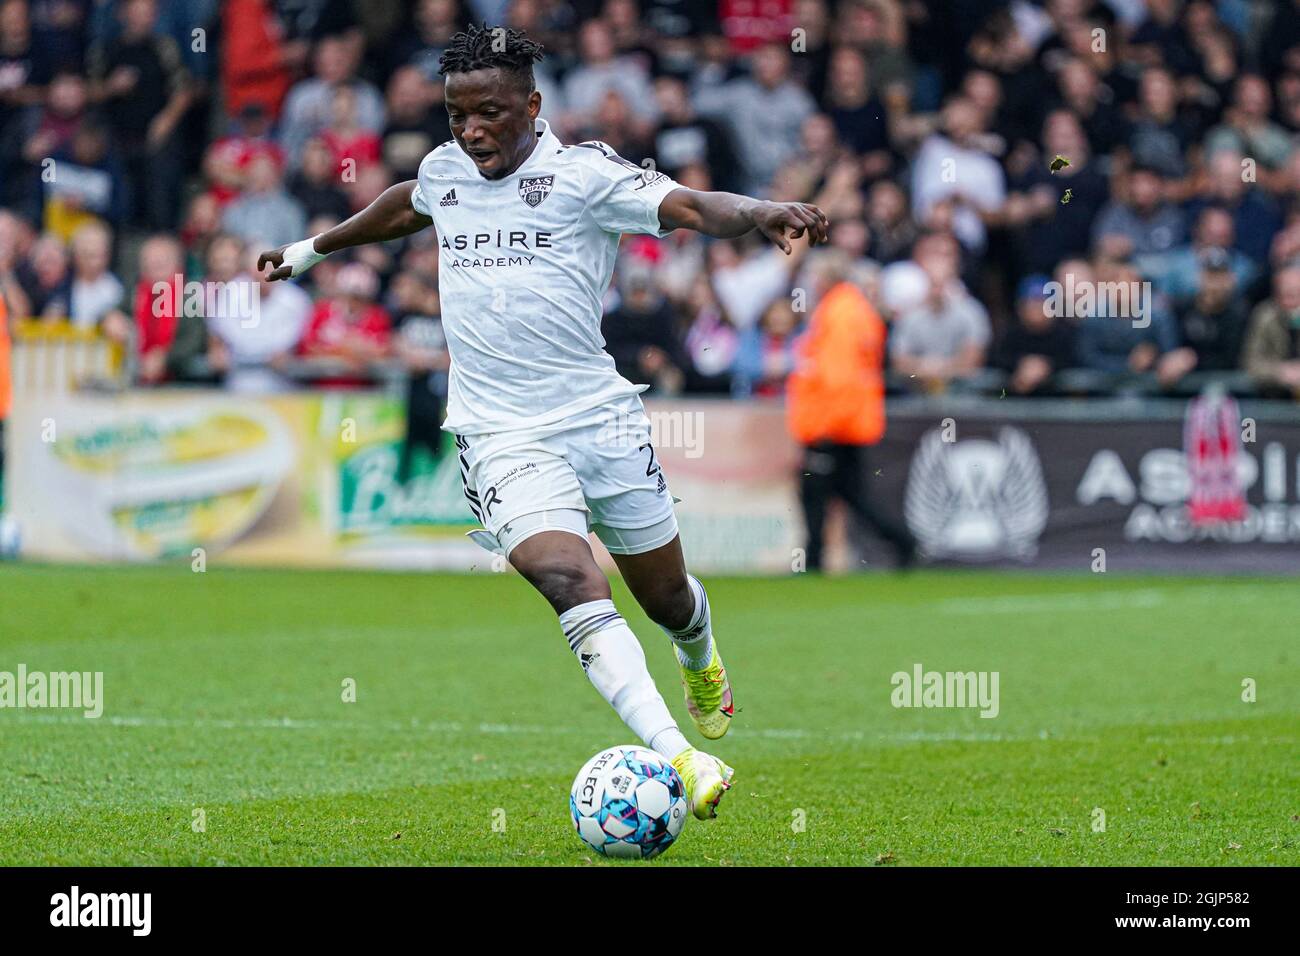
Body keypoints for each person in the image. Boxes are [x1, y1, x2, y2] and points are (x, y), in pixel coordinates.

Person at [257, 24, 831, 822]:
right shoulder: (445, 170)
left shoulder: (584, 175)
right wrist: (311, 250)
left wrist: (763, 208)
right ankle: (682, 756)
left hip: (599, 417)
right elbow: (406, 206)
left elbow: (692, 204)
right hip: (499, 433)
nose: (472, 131)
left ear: (531, 106)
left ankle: (700, 659)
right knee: (566, 576)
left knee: (665, 598)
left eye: (489, 113)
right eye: (458, 115)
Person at [787, 250, 916, 570]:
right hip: (846, 420)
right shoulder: (852, 309)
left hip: (832, 423)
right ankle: (902, 541)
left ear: (828, 277)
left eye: (815, 276)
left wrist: (825, 428)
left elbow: (837, 376)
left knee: (815, 493)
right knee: (852, 494)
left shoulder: (839, 313)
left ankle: (813, 560)